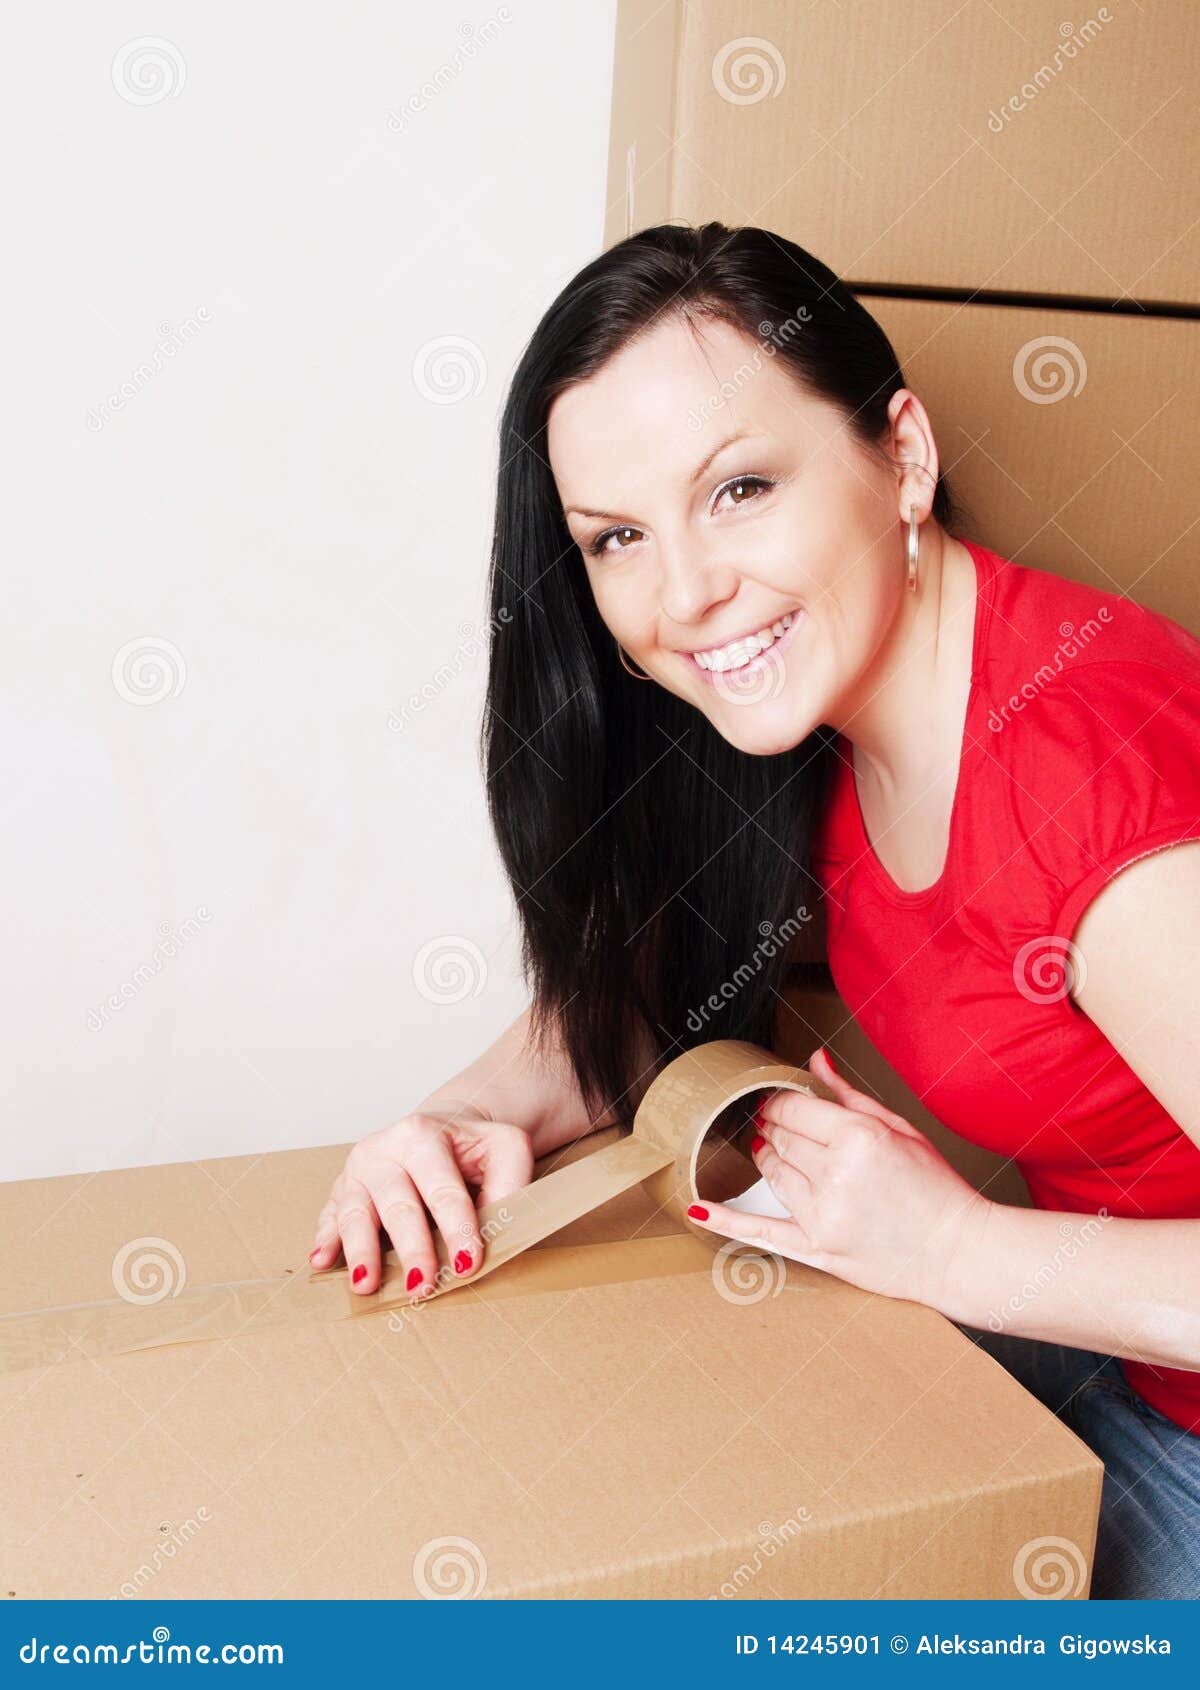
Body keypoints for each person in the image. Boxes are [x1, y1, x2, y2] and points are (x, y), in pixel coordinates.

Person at [308, 222, 1200, 1598]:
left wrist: (955, 1245)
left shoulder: (1088, 785)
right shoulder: (819, 716)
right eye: (617, 536)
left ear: (901, 455)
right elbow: (655, 986)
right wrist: (461, 1117)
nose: (684, 595)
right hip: (1118, 1362)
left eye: (739, 489)